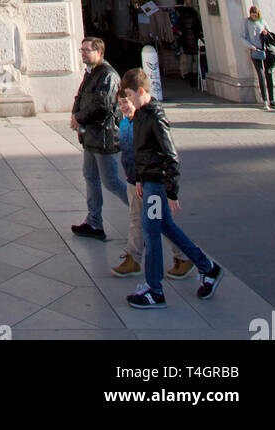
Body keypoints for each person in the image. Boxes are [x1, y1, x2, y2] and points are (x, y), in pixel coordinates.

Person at [120, 67, 223, 309]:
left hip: (156, 185)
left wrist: (171, 191)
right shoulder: (142, 114)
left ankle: (154, 290)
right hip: (148, 182)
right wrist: (138, 179)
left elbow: (171, 155)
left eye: (130, 95)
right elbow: (141, 152)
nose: (128, 100)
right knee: (165, 227)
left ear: (141, 91)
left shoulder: (155, 117)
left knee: (151, 233)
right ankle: (208, 268)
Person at [111, 94, 192, 280]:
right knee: (137, 220)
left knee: (159, 223)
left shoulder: (145, 123)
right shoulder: (124, 124)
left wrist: (171, 190)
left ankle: (184, 257)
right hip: (135, 180)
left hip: (150, 183)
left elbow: (165, 155)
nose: (123, 106)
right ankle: (134, 259)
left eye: (127, 101)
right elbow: (126, 151)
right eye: (120, 103)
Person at [70, 38, 128, 241]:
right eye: (82, 50)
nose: (83, 54)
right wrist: (75, 114)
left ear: (100, 52)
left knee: (111, 182)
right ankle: (94, 222)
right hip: (90, 136)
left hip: (104, 136)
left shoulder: (108, 75)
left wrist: (79, 117)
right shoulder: (91, 73)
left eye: (87, 50)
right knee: (90, 177)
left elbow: (102, 106)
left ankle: (144, 213)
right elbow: (80, 96)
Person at [240, 4, 275, 110]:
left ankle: (272, 100)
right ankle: (265, 100)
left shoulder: (262, 21)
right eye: (252, 15)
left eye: (255, 15)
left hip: (265, 50)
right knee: (261, 75)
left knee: (268, 74)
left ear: (258, 14)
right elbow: (242, 37)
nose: (254, 17)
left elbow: (270, 33)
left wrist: (266, 33)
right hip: (255, 51)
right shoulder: (246, 22)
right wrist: (250, 46)